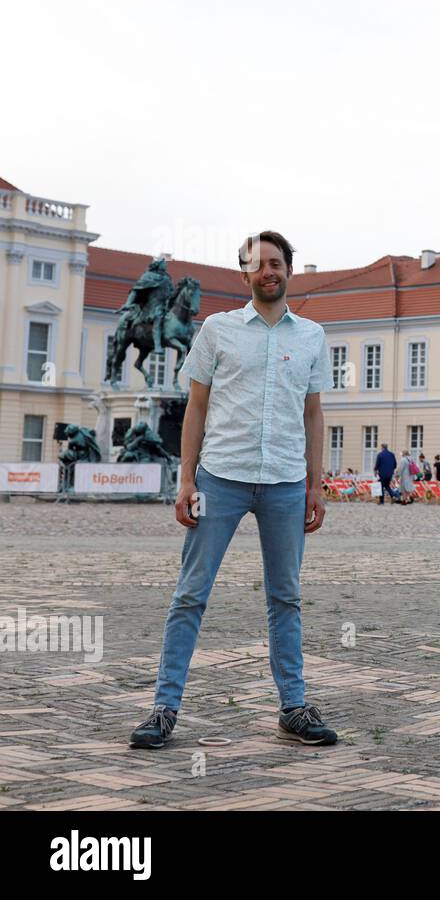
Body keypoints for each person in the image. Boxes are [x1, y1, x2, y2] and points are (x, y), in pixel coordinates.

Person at [128, 230, 337, 750]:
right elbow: (195, 407)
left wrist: (316, 485)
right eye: (258, 263)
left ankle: (294, 706)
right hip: (220, 478)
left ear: (290, 270)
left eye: (277, 262)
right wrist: (187, 478)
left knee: (285, 596)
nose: (268, 270)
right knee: (190, 595)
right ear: (245, 274)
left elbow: (314, 415)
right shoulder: (217, 331)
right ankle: (163, 707)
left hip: (287, 483)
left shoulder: (311, 336)